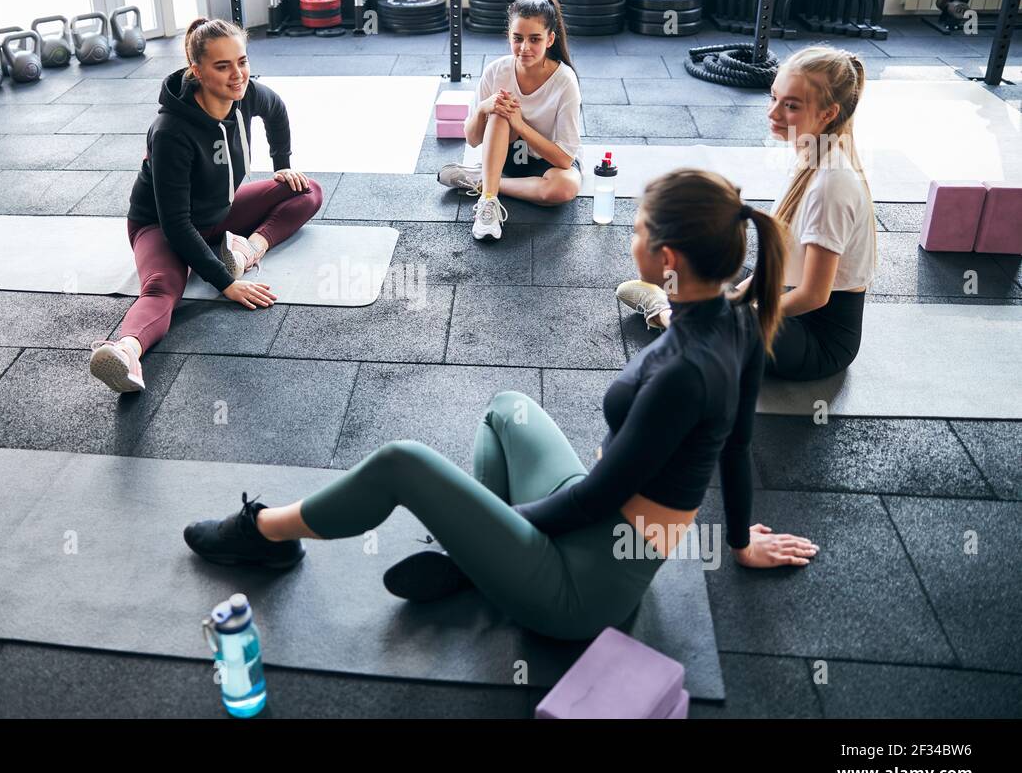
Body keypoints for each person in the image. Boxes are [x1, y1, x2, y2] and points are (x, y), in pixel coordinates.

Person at [182, 169, 819, 642]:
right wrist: (738, 542)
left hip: (583, 587)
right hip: (594, 525)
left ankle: (264, 535)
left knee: (403, 462)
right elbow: (736, 448)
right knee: (508, 407)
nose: (632, 243)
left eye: (638, 233)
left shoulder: (685, 371)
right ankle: (484, 556)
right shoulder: (736, 318)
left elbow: (592, 501)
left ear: (668, 259)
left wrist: (481, 521)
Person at [88, 18, 322, 394]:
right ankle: (125, 350)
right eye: (223, 65)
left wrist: (283, 166)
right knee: (163, 288)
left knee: (306, 189)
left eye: (242, 61)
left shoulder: (246, 95)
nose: (238, 75)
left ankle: (247, 250)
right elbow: (177, 223)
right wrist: (226, 284)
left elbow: (276, 110)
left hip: (220, 213)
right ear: (196, 71)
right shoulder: (170, 132)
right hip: (160, 227)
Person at [617, 46, 876, 381]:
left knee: (718, 329)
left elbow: (814, 295)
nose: (774, 112)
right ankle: (698, 309)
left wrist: (741, 313)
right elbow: (776, 263)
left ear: (828, 114)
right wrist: (737, 299)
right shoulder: (811, 155)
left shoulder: (831, 185)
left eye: (791, 105)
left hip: (818, 338)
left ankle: (662, 313)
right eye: (774, 98)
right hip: (787, 290)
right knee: (717, 259)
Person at [437, 0, 584, 241]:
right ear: (509, 36)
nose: (525, 48)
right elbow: (472, 140)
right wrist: (484, 108)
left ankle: (484, 182)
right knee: (499, 112)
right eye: (518, 38)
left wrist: (522, 125)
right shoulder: (496, 71)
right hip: (506, 159)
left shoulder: (565, 81)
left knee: (566, 187)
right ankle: (489, 202)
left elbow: (565, 160)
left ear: (550, 40)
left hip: (548, 162)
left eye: (535, 39)